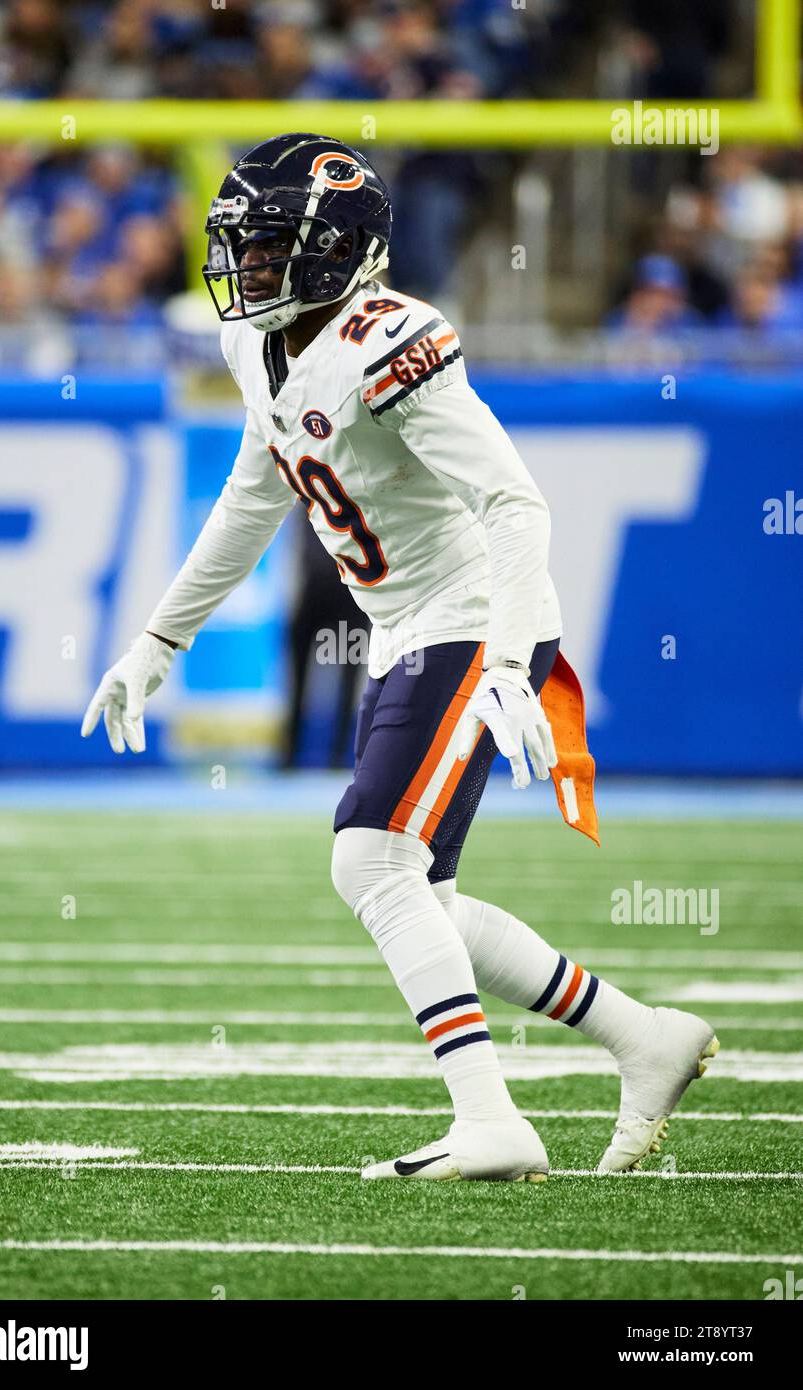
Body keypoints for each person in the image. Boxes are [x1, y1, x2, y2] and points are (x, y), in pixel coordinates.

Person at [82, 134, 718, 1182]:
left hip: (471, 615)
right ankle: (641, 1036)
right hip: (406, 626)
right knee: (424, 895)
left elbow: (514, 502)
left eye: (270, 247)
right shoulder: (259, 343)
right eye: (240, 247)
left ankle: (489, 1119)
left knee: (369, 857)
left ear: (337, 252)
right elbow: (254, 491)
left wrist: (510, 663)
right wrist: (161, 636)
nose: (247, 272)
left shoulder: (392, 341)